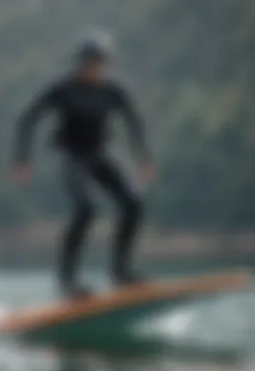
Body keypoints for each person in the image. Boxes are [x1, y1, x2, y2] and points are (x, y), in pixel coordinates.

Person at [11, 33, 155, 298]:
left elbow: (134, 121)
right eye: (89, 62)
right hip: (72, 157)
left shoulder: (113, 91)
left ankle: (121, 273)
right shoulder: (62, 89)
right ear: (79, 63)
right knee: (86, 208)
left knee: (134, 204)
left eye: (99, 63)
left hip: (100, 155)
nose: (94, 68)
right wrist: (22, 159)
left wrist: (143, 157)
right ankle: (68, 281)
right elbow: (28, 118)